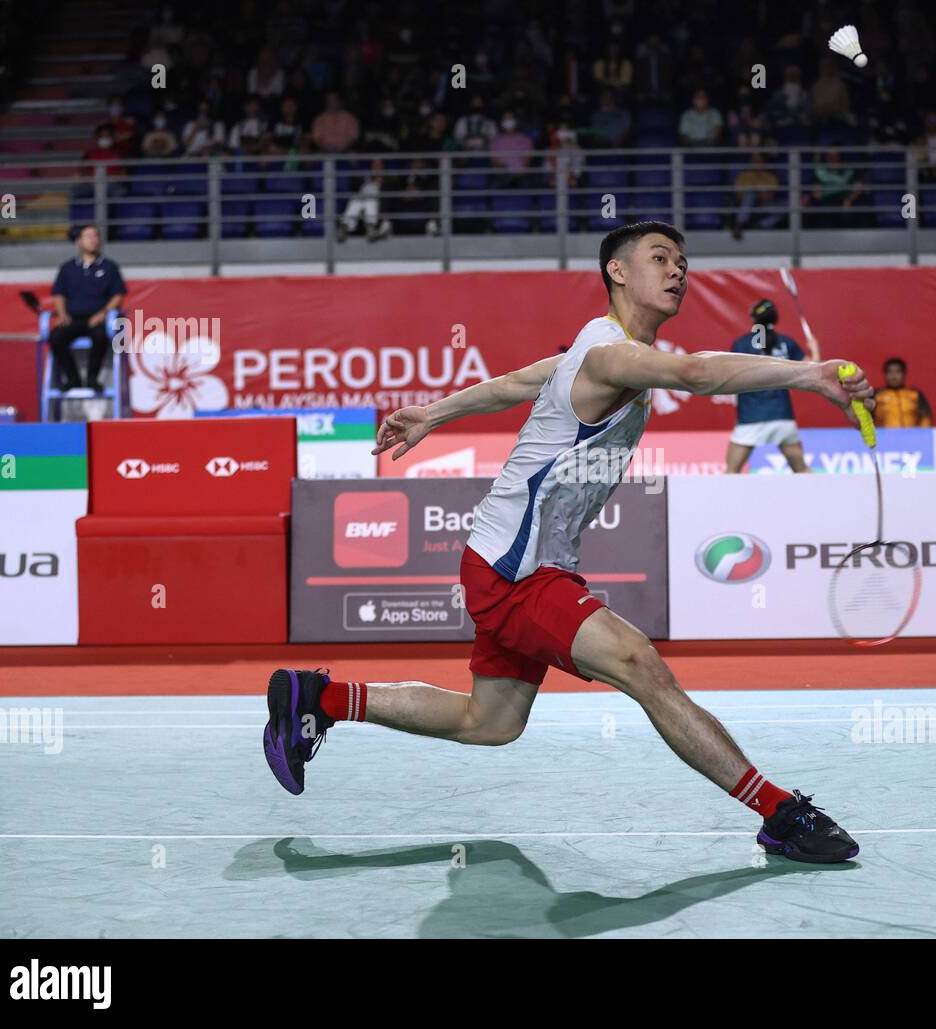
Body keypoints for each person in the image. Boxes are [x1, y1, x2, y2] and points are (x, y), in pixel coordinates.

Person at [262, 221, 875, 865]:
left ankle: (320, 698)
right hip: (517, 569)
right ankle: (779, 812)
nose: (678, 271)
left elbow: (510, 385)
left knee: (490, 723)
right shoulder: (610, 353)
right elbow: (695, 373)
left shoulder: (594, 351)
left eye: (683, 263)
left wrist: (433, 412)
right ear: (616, 271)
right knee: (640, 665)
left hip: (509, 559)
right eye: (660, 258)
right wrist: (810, 374)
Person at [724, 298, 817, 473]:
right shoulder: (787, 343)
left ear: (753, 320)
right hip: (782, 417)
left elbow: (728, 376)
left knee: (731, 472)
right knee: (802, 471)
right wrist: (815, 348)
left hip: (751, 419)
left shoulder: (742, 344)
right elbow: (813, 371)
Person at [48, 224, 127, 393]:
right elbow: (58, 294)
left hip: (97, 319)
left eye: (96, 236)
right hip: (73, 318)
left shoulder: (109, 267)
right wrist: (62, 314)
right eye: (88, 236)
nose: (93, 240)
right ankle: (73, 378)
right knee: (56, 336)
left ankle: (92, 379)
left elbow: (118, 294)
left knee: (101, 336)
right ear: (79, 241)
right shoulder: (67, 268)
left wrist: (103, 313)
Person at [873, 357, 933, 428]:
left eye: (898, 372)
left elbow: (926, 415)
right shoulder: (877, 395)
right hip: (885, 437)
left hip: (911, 437)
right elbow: (867, 419)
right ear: (885, 374)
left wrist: (922, 434)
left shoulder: (915, 394)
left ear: (904, 373)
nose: (894, 376)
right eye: (890, 372)